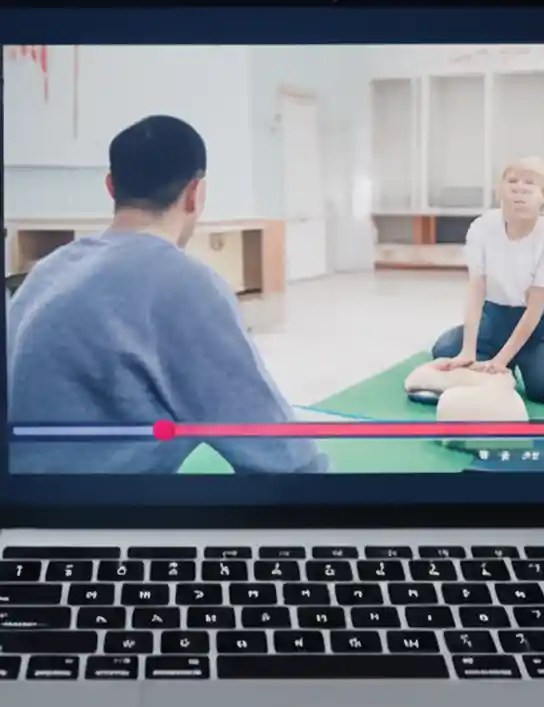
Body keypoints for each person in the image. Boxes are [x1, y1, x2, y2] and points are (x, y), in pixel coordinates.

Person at [7, 115, 329, 474]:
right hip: (103, 520)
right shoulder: (181, 285)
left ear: (112, 187)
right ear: (195, 193)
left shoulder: (48, 271)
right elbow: (283, 458)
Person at [430, 157, 544, 404]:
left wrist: (501, 361)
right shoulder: (482, 227)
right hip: (493, 317)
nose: (520, 189)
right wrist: (468, 349)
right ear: (500, 192)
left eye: (530, 184)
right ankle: (477, 346)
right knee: (443, 350)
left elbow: (535, 310)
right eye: (512, 182)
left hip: (533, 328)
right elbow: (476, 289)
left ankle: (515, 358)